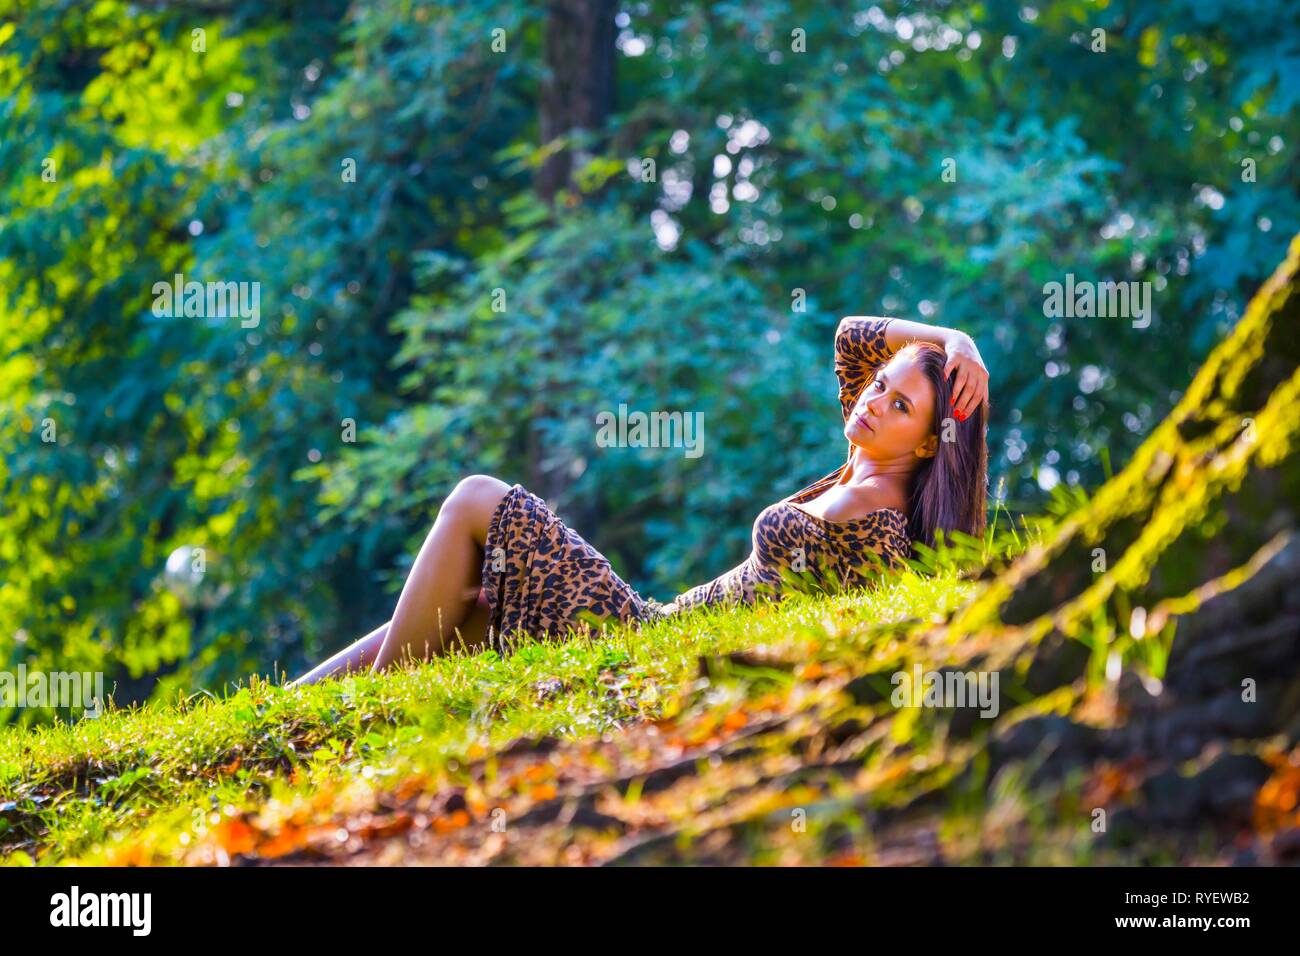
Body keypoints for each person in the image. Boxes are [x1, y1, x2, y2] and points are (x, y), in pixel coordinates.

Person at [287, 316, 990, 687]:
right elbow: (851, 337)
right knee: (462, 606)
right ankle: (295, 708)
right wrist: (954, 340)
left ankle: (366, 710)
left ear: (929, 444)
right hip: (647, 622)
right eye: (878, 386)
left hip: (637, 640)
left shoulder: (880, 526)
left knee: (478, 499)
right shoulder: (860, 462)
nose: (871, 401)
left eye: (899, 405)